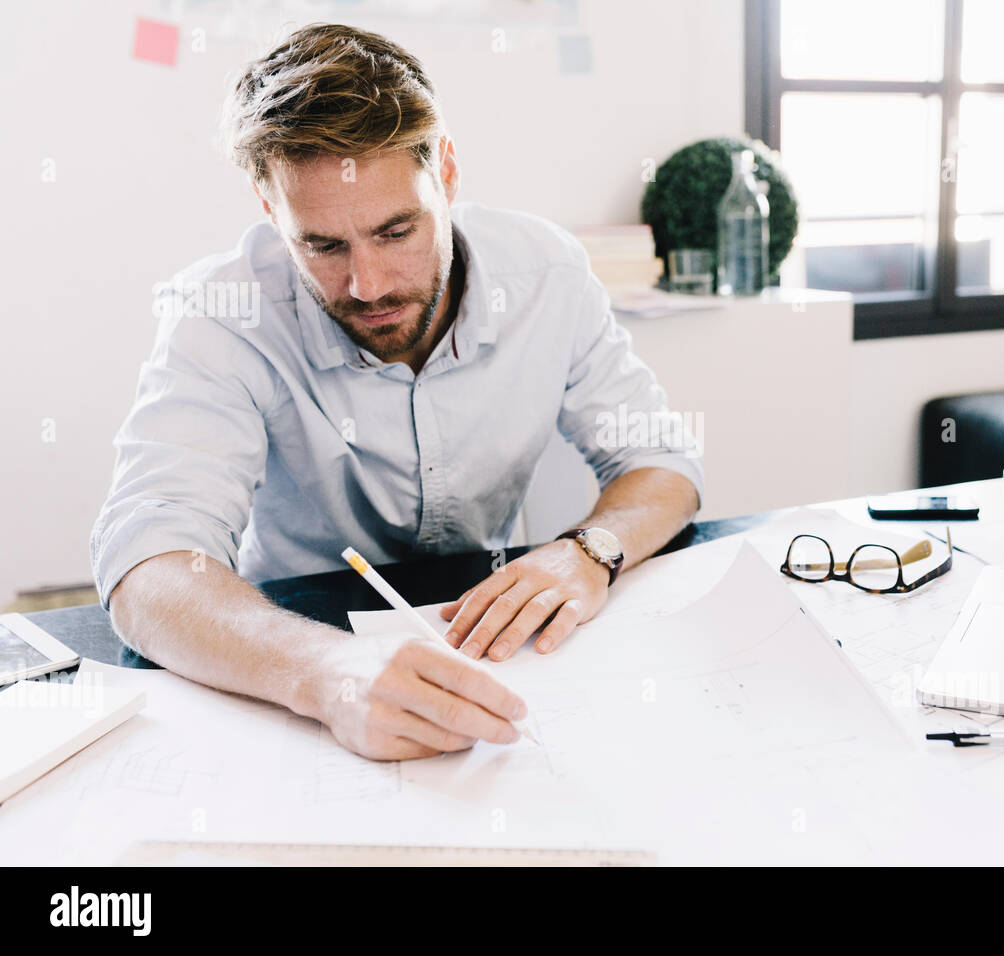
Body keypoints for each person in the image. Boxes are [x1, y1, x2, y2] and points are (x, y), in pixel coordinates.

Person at [90, 23, 702, 761]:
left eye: (396, 230)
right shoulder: (221, 313)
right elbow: (148, 568)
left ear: (445, 172)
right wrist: (325, 671)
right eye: (322, 246)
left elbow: (662, 461)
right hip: (284, 647)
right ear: (267, 207)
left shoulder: (547, 275)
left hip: (495, 635)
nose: (368, 286)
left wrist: (588, 550)